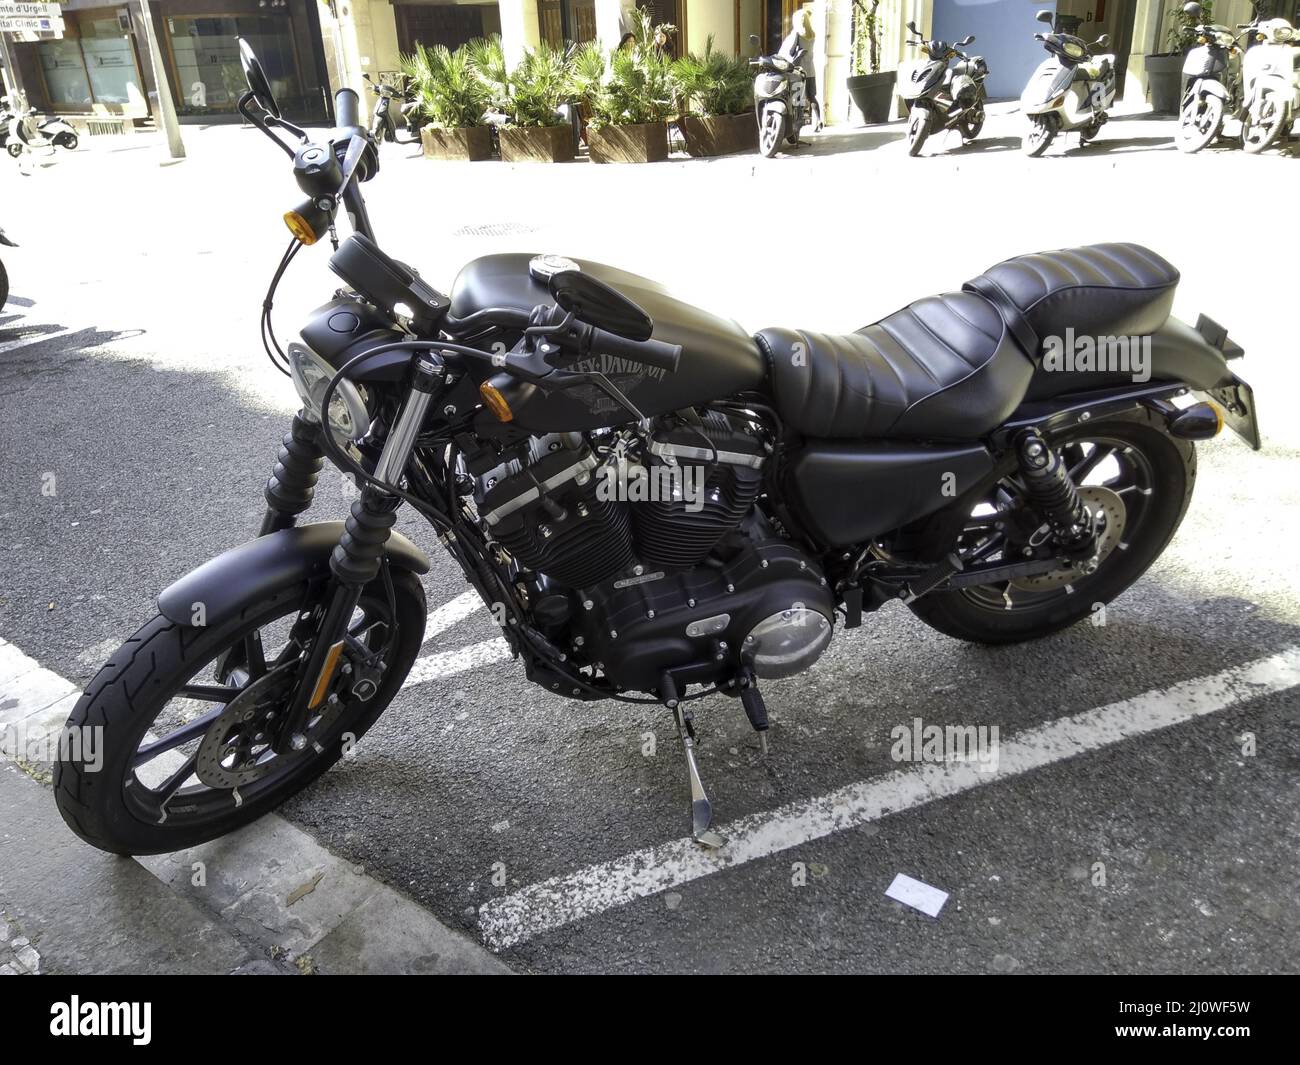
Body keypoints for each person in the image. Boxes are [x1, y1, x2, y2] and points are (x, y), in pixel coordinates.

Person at [779, 7, 822, 132]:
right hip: (811, 70)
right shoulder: (812, 34)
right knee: (811, 97)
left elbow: (789, 51)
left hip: (798, 71)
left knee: (798, 98)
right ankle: (818, 120)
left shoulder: (797, 34)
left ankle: (797, 126)